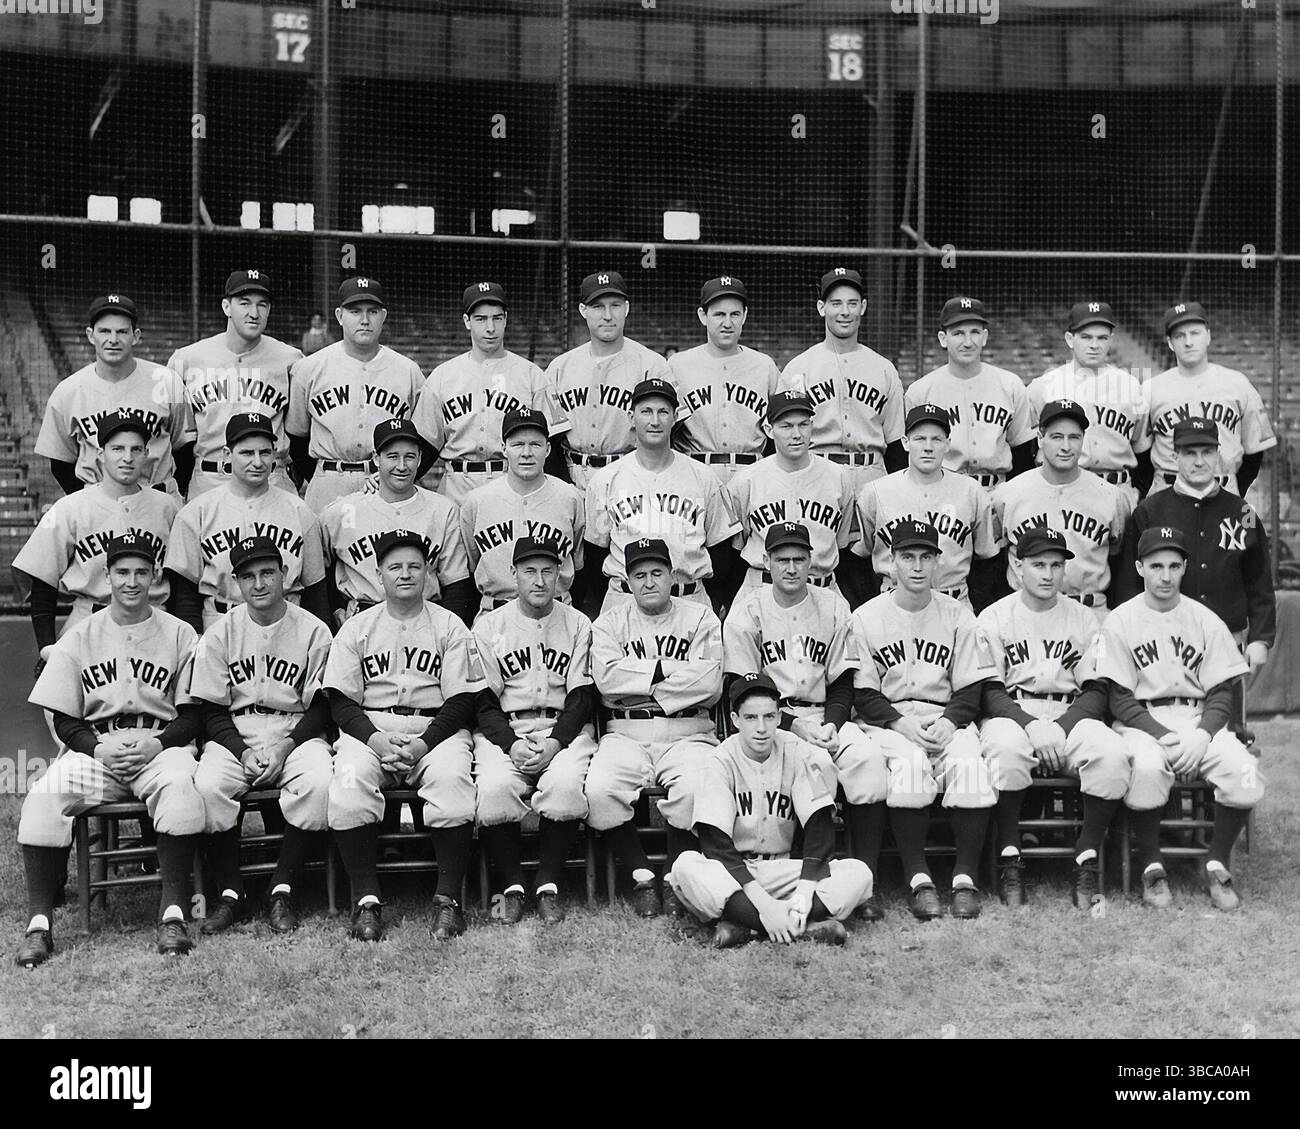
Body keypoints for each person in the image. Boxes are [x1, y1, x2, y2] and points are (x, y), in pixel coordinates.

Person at [14, 534, 204, 967]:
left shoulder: (182, 634)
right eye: (122, 572)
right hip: (98, 747)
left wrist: (159, 743)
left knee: (181, 790)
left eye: (141, 572)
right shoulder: (78, 637)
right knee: (43, 799)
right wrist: (96, 748)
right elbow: (64, 718)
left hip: (161, 744)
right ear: (107, 576)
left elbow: (195, 714)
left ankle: (173, 914)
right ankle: (39, 924)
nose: (132, 582)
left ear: (155, 576)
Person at [324, 529, 486, 942]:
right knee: (347, 785)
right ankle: (366, 900)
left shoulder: (450, 625)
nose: (406, 574)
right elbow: (340, 701)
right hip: (371, 730)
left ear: (429, 573)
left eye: (415, 566)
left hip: (435, 730)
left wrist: (423, 745)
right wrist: (375, 740)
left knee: (451, 780)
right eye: (395, 567)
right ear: (379, 575)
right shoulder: (357, 627)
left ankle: (447, 899)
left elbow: (463, 700)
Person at [1094, 526, 1264, 911]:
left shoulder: (1205, 619)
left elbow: (1223, 690)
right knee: (1149, 768)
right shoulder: (1120, 620)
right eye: (1156, 566)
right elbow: (1118, 696)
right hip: (1143, 722)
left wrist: (1202, 736)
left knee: (1246, 773)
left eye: (1174, 565)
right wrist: (1164, 736)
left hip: (1198, 720)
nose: (1166, 576)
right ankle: (1153, 867)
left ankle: (1216, 860)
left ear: (1185, 567)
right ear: (1139, 567)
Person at [722, 521, 882, 916]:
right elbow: (741, 690)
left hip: (826, 715)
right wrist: (797, 726)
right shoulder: (747, 612)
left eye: (799, 559)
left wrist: (832, 722)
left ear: (812, 561)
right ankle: (803, 873)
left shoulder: (832, 605)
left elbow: (844, 680)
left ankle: (865, 880)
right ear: (767, 562)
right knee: (817, 767)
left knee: (870, 764)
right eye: (782, 560)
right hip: (772, 721)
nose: (791, 568)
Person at [845, 519, 1001, 920]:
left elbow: (973, 683)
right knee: (911, 767)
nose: (916, 566)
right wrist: (900, 723)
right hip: (889, 722)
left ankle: (965, 879)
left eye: (926, 557)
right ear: (890, 561)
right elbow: (862, 691)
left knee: (969, 765)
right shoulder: (865, 617)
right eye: (907, 556)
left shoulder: (959, 614)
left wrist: (951, 722)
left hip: (945, 714)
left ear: (937, 562)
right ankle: (919, 878)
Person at [975, 527, 1132, 908]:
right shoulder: (993, 617)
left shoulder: (1085, 618)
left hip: (1070, 712)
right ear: (1017, 565)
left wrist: (1059, 729)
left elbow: (1098, 689)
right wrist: (1031, 726)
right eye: (1038, 564)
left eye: (1056, 565)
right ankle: (1010, 855)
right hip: (1013, 711)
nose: (1048, 574)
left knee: (1111, 754)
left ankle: (1086, 854)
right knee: (1005, 751)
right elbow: (987, 690)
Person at [189, 536, 334, 934]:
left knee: (321, 782)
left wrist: (287, 747)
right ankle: (232, 893)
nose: (259, 584)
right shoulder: (220, 633)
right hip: (236, 731)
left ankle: (281, 886)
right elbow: (210, 710)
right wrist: (241, 752)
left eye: (267, 572)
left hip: (296, 730)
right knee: (207, 785)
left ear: (285, 575)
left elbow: (323, 706)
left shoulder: (314, 630)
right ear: (236, 583)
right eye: (248, 576)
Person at [669, 672, 873, 948]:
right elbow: (715, 844)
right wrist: (766, 906)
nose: (761, 727)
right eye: (751, 718)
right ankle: (797, 925)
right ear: (735, 720)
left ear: (779, 717)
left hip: (784, 868)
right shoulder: (718, 761)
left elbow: (819, 825)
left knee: (858, 873)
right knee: (685, 868)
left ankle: (747, 927)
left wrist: (803, 891)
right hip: (734, 873)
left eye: (768, 716)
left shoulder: (800, 751)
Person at [585, 537, 723, 917]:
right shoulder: (609, 622)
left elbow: (709, 682)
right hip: (626, 732)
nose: (649, 582)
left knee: (698, 786)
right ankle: (641, 873)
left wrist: (640, 681)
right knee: (599, 790)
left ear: (672, 575)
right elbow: (607, 682)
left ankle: (675, 875)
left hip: (689, 730)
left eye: (657, 573)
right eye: (639, 574)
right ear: (627, 581)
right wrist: (668, 670)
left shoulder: (701, 617)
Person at [472, 536, 597, 925]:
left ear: (560, 574)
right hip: (507, 729)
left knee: (563, 784)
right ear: (514, 575)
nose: (540, 580)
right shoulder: (489, 625)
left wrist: (557, 742)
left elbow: (582, 696)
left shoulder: (578, 624)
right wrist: (510, 746)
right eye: (529, 571)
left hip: (564, 728)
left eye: (548, 570)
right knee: (493, 788)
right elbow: (483, 703)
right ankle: (512, 884)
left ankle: (547, 884)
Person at [14, 411, 179, 675]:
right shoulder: (69, 508)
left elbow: (180, 580)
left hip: (154, 621)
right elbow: (43, 580)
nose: (127, 457)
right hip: (88, 619)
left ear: (147, 454)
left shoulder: (168, 507)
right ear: (100, 455)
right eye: (117, 448)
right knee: (66, 710)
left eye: (136, 449)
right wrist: (46, 646)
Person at [1116, 417, 1275, 674]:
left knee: (1228, 714)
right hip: (1162, 646)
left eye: (1207, 452)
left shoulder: (1242, 511)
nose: (1199, 461)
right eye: (1190, 453)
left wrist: (1260, 639)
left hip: (1227, 642)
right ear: (1175, 455)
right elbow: (1129, 584)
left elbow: (1259, 583)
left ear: (1217, 454)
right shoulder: (1149, 510)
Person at [584, 377, 740, 616]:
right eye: (646, 411)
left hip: (690, 600)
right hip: (624, 602)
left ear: (675, 416)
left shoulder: (705, 477)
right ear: (631, 417)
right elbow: (595, 555)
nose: (655, 421)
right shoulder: (605, 479)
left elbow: (721, 552)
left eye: (663, 412)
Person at [164, 413, 328, 633]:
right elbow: (185, 597)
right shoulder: (196, 512)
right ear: (227, 455)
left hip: (287, 627)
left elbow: (316, 592)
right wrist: (196, 645)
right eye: (247, 453)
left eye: (265, 453)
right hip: (220, 625)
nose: (258, 462)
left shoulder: (300, 512)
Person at [411, 281, 561, 507]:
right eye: (481, 319)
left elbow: (553, 442)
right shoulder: (442, 377)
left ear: (506, 320)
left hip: (512, 483)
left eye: (497, 318)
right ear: (466, 322)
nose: (490, 327)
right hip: (457, 486)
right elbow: (423, 444)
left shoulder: (533, 375)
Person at [286, 277, 424, 513]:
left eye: (372, 311)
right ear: (339, 315)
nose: (364, 320)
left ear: (383, 316)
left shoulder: (408, 371)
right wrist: (322, 475)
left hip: (385, 482)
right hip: (327, 480)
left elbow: (422, 440)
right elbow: (296, 438)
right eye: (355, 311)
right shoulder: (309, 368)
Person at [318, 418, 474, 626]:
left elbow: (456, 584)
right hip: (362, 621)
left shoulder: (443, 510)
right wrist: (335, 611)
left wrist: (444, 632)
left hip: (424, 619)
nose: (401, 466)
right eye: (392, 456)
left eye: (409, 456)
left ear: (420, 458)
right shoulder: (341, 512)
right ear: (376, 458)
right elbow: (318, 577)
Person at [36, 293, 194, 496]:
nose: (113, 340)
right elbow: (60, 464)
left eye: (122, 332)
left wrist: (168, 496)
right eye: (104, 331)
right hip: (94, 500)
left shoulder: (167, 381)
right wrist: (88, 500)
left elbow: (186, 450)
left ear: (135, 336)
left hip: (157, 499)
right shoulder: (68, 392)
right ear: (90, 335)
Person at [167, 270, 302, 497]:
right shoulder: (185, 360)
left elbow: (300, 432)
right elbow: (174, 437)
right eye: (244, 303)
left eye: (262, 304)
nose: (254, 313)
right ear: (226, 307)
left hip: (271, 480)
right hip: (210, 479)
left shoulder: (291, 359)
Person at [851, 402, 999, 609]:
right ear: (905, 442)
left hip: (953, 603)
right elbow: (857, 559)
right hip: (892, 604)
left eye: (936, 439)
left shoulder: (971, 491)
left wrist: (976, 602)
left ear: (947, 444)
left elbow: (988, 559)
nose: (928, 447)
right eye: (920, 439)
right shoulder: (875, 492)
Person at [991, 399, 1130, 619]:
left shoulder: (1111, 496)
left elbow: (1118, 556)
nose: (1066, 447)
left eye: (1074, 437)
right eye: (1056, 437)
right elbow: (994, 562)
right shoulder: (1007, 494)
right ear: (1040, 439)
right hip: (1026, 613)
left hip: (1090, 611)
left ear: (1083, 439)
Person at [778, 267, 906, 495]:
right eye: (836, 303)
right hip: (816, 476)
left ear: (863, 307)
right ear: (821, 308)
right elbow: (784, 439)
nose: (844, 312)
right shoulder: (798, 369)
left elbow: (896, 444)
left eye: (852, 303)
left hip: (872, 478)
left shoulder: (884, 369)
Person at [547, 270, 674, 492]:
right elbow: (551, 438)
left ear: (627, 308)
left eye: (615, 305)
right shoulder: (559, 368)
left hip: (633, 480)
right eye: (598, 307)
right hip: (573, 477)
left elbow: (668, 432)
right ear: (583, 310)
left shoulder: (652, 366)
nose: (608, 315)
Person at [725, 391, 859, 596]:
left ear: (812, 425)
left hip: (821, 588)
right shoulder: (746, 481)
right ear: (769, 430)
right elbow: (734, 551)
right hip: (762, 589)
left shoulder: (837, 476)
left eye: (803, 424)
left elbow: (843, 547)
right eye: (786, 426)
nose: (796, 434)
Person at [904, 296, 1037, 496]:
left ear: (984, 337)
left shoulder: (1010, 385)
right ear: (943, 338)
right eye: (958, 333)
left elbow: (1023, 451)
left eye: (974, 332)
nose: (967, 342)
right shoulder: (921, 391)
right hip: (941, 493)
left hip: (996, 492)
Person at [1144, 301, 1276, 499]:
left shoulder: (1238, 384)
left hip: (1223, 490)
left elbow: (1254, 451)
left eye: (1195, 333)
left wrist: (1235, 490)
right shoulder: (1150, 389)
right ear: (1170, 343)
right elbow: (1141, 453)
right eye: (1180, 336)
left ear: (1208, 336)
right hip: (1168, 493)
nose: (1188, 342)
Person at [461, 409, 585, 619]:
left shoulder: (570, 497)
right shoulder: (477, 501)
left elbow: (579, 563)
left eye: (535, 444)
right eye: (517, 444)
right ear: (503, 448)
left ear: (547, 449)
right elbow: (472, 564)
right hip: (495, 613)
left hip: (557, 613)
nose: (526, 453)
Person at [1026, 300, 1151, 502]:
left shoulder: (1131, 386)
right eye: (1086, 337)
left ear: (1111, 340)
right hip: (1062, 491)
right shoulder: (1043, 387)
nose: (1094, 345)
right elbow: (1027, 451)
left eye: (1102, 338)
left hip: (1118, 489)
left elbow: (1144, 454)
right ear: (1070, 339)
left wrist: (1138, 494)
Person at [670, 275, 780, 483]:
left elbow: (781, 428)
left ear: (745, 315)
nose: (727, 323)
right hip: (694, 471)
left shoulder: (764, 366)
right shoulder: (678, 365)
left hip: (752, 472)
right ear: (703, 316)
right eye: (719, 314)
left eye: (735, 314)